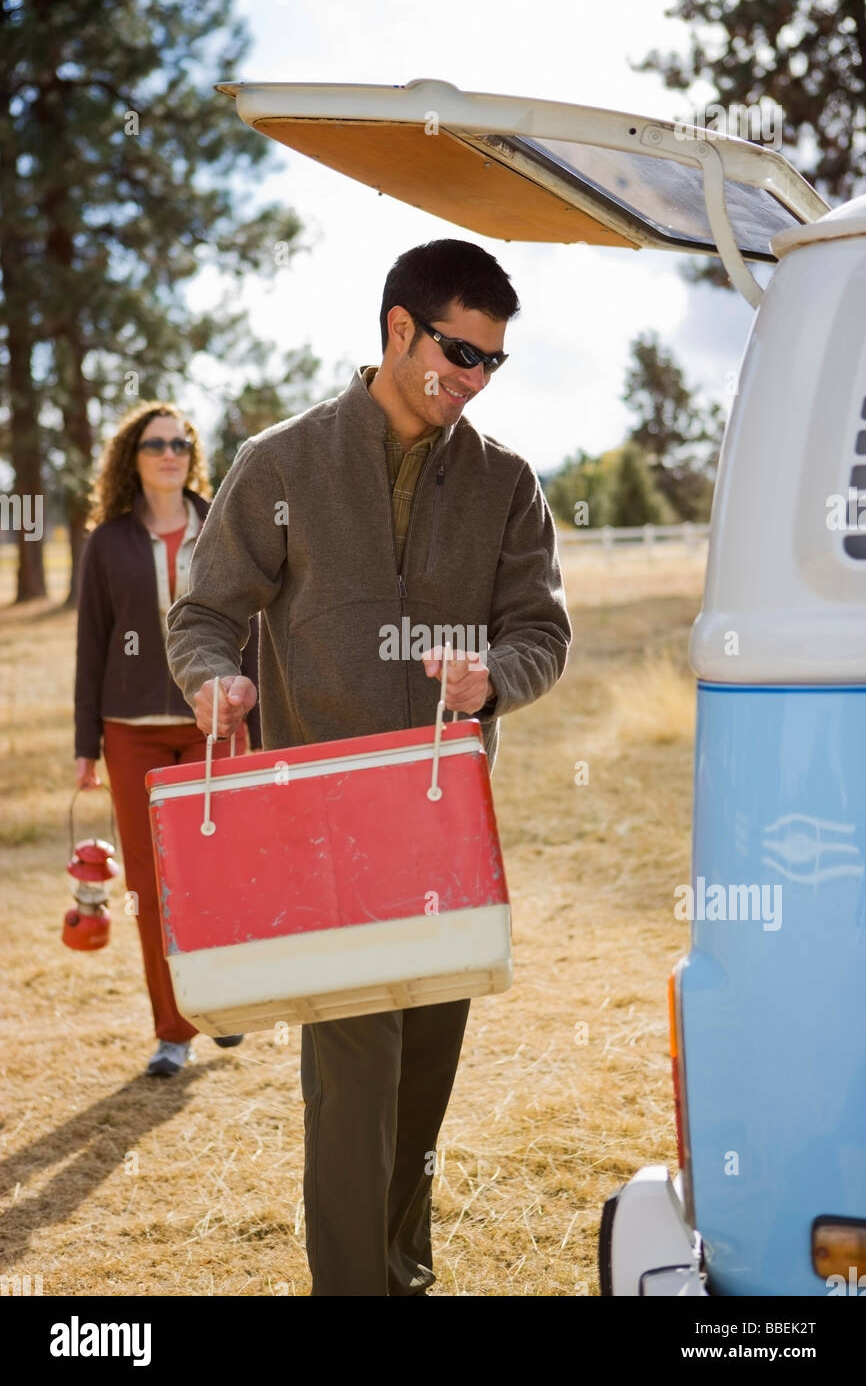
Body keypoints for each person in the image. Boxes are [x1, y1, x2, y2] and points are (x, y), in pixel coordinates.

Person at [165, 239, 572, 1293]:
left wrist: (492, 676)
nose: (471, 379)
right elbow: (205, 617)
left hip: (443, 826)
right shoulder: (280, 464)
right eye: (456, 352)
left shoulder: (505, 485)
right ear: (397, 328)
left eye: (490, 362)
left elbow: (540, 631)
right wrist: (216, 683)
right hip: (322, 826)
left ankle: (404, 1271)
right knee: (353, 1080)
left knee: (423, 1072)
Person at [74, 400, 261, 1078]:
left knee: (217, 874)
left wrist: (261, 729)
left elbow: (254, 629)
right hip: (131, 733)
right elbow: (91, 642)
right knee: (151, 888)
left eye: (180, 442)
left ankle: (227, 1004)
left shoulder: (222, 521)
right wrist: (84, 744)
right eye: (155, 443)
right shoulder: (107, 542)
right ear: (134, 456)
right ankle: (172, 1032)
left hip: (216, 727)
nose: (169, 452)